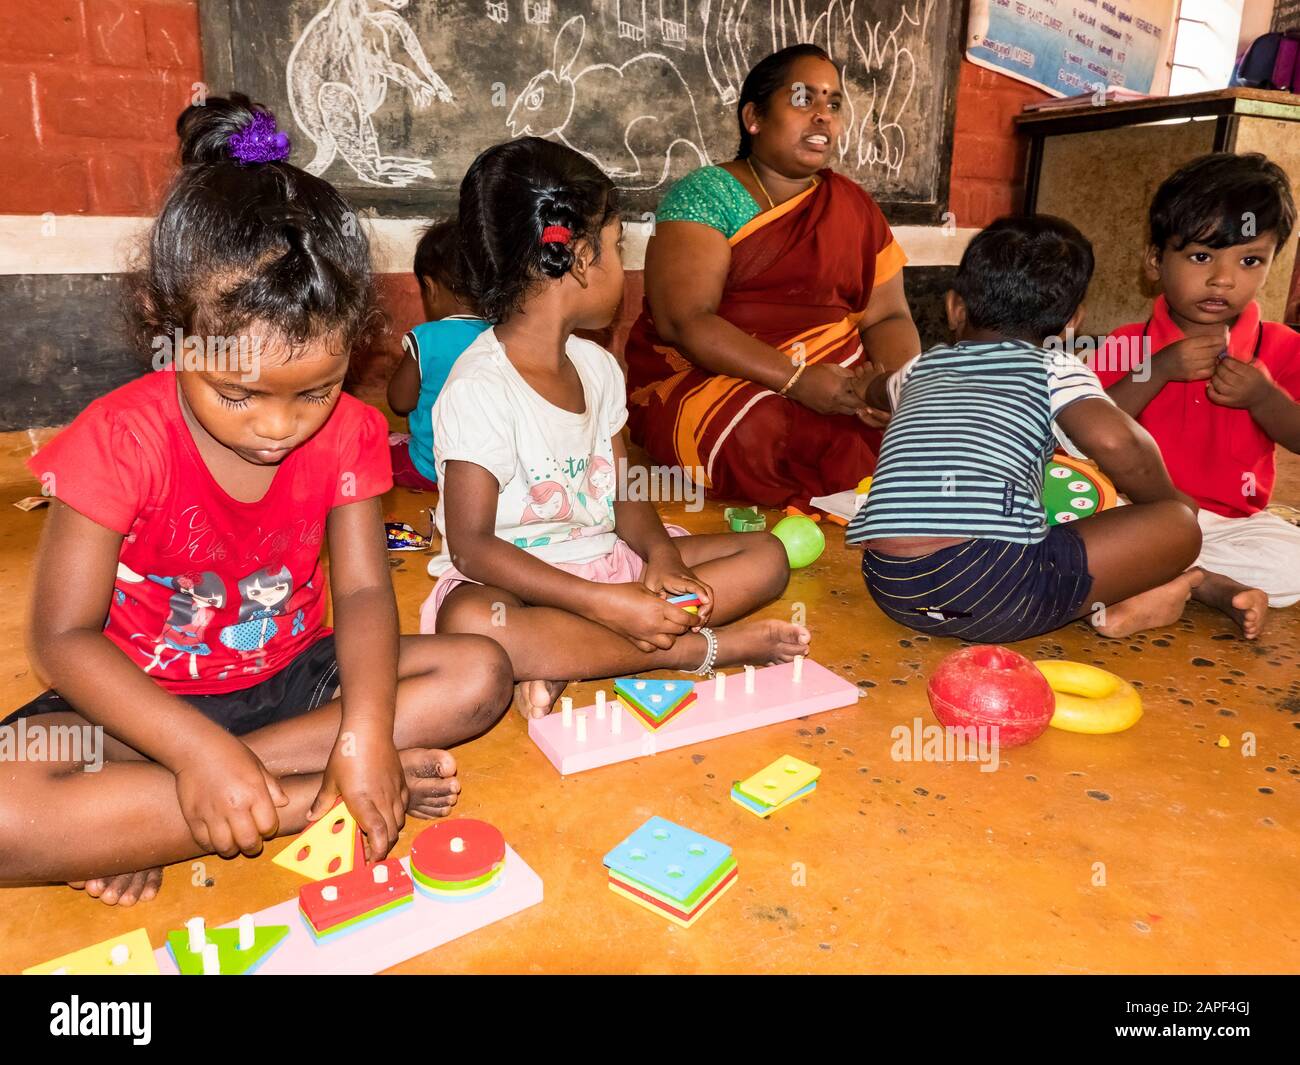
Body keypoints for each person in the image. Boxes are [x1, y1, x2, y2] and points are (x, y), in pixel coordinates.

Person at [0, 95, 512, 907]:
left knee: (479, 672)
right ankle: (304, 800)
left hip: (292, 682)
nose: (278, 426)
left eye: (314, 388)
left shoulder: (346, 433)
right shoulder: (119, 438)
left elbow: (365, 589)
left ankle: (170, 812)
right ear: (163, 326)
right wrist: (195, 753)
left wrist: (365, 729)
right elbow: (63, 638)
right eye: (239, 393)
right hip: (140, 710)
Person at [421, 137, 809, 718]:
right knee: (475, 623)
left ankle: (570, 657)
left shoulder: (598, 366)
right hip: (521, 583)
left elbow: (623, 490)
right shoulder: (480, 387)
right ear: (579, 258)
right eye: (616, 245)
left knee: (767, 557)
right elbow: (473, 548)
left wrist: (661, 557)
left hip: (610, 558)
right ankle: (688, 652)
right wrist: (601, 603)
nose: (624, 265)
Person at [847, 216, 1203, 643]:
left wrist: (857, 386)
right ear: (1073, 322)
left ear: (954, 308)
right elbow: (1115, 440)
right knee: (1178, 525)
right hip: (993, 591)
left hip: (890, 585)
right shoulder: (1052, 367)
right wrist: (1167, 504)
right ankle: (1141, 598)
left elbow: (877, 390)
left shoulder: (920, 368)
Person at [623, 44, 921, 510]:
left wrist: (893, 389)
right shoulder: (707, 194)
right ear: (754, 117)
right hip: (718, 376)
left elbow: (888, 317)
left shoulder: (854, 206)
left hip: (840, 378)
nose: (823, 115)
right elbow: (685, 321)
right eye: (803, 99)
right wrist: (796, 380)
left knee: (909, 425)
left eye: (834, 103)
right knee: (757, 429)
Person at [1096, 152, 1300, 637]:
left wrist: (1264, 398)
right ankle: (1202, 584)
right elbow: (1087, 432)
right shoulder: (1127, 343)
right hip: (1138, 513)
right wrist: (1158, 369)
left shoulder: (1281, 347)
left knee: (1292, 562)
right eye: (1201, 257)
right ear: (1154, 261)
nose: (1223, 279)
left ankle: (1179, 579)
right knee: (1062, 522)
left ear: (1273, 263)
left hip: (1232, 524)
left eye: (1249, 260)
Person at [386, 217, 489, 490]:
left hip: (428, 469)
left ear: (430, 288)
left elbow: (399, 402)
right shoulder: (503, 335)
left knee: (374, 448)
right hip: (486, 476)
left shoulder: (427, 337)